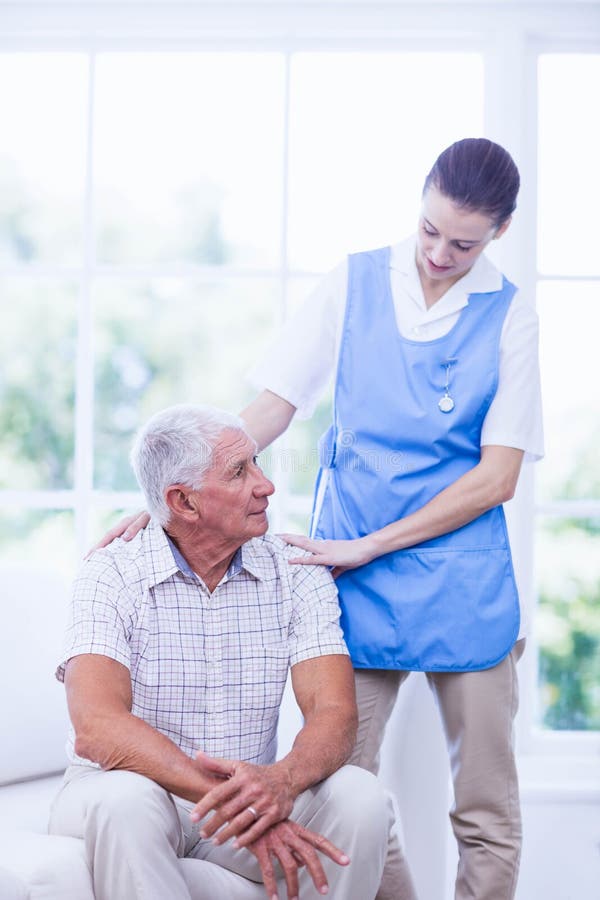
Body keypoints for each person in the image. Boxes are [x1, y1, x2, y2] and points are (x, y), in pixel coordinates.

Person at [98, 138, 544, 900]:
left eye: (463, 242)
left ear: (499, 232)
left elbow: (497, 476)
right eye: (430, 229)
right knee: (349, 797)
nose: (439, 251)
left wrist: (369, 543)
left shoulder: (509, 319)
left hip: (457, 581)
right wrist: (178, 493)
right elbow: (274, 404)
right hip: (354, 583)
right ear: (421, 203)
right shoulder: (357, 281)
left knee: (485, 810)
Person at [49, 403, 392, 900]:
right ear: (184, 503)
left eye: (257, 463)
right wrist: (236, 803)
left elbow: (334, 711)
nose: (265, 485)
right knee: (126, 800)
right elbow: (97, 728)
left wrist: (282, 782)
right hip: (128, 792)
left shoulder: (296, 571)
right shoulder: (111, 572)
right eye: (239, 472)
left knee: (360, 796)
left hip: (248, 800)